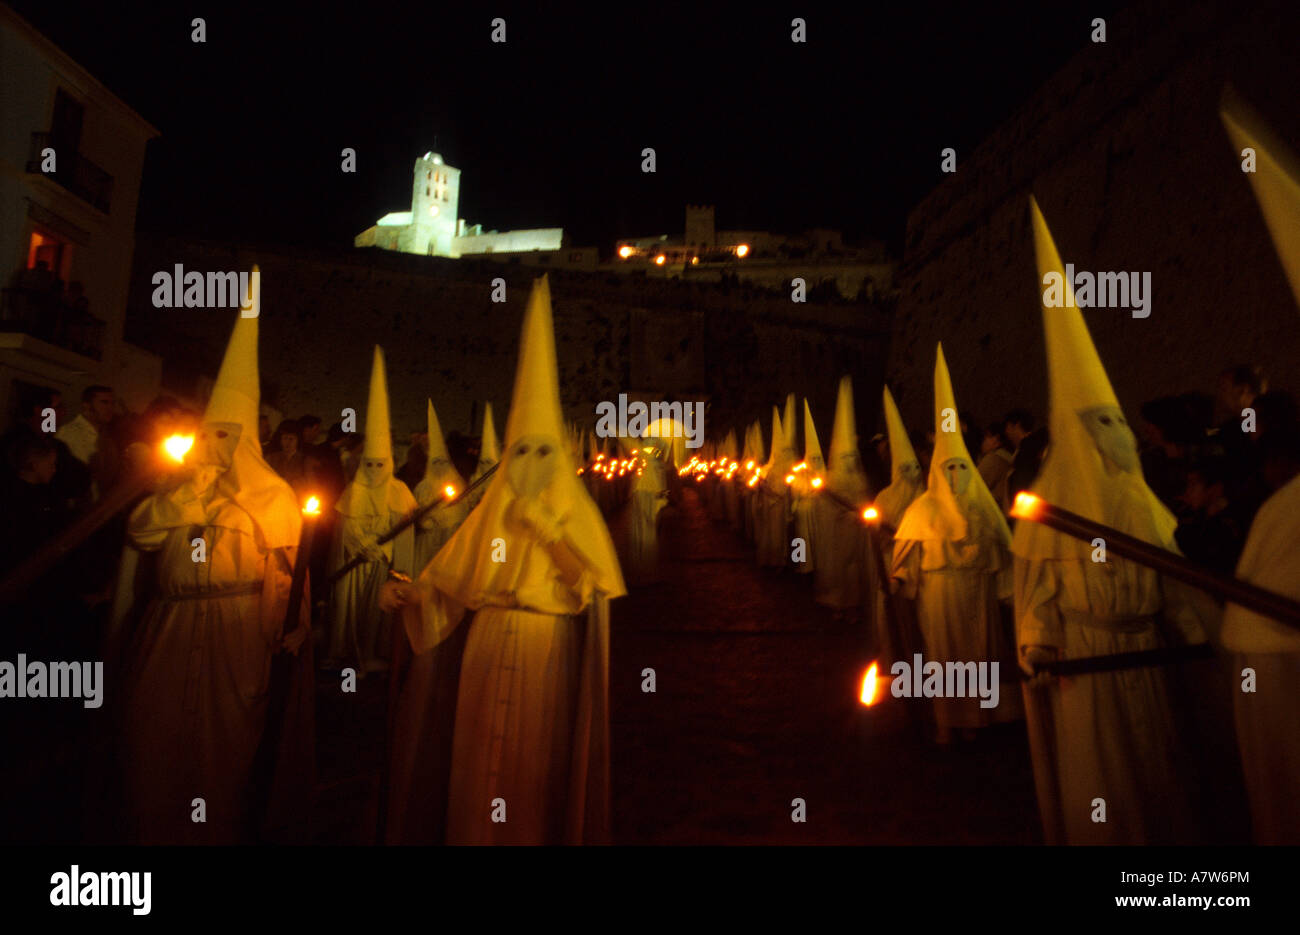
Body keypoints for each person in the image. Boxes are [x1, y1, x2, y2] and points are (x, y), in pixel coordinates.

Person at [382, 275, 625, 845]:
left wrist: (548, 532)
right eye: (522, 450)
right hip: (487, 644)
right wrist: (406, 590)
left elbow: (587, 587)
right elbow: (448, 583)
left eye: (544, 451)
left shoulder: (574, 512)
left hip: (547, 645)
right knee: (477, 748)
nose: (532, 462)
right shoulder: (488, 514)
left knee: (531, 757)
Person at [1013, 199, 1215, 845]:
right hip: (1088, 658)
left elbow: (1174, 577)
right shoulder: (1050, 510)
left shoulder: (1141, 498)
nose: (1115, 436)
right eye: (1096, 424)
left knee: (1156, 769)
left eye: (1114, 419)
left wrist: (1189, 632)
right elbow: (1039, 591)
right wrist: (1039, 646)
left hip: (1144, 654)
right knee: (1103, 773)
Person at [112, 283, 314, 844]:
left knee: (224, 740)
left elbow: (288, 572)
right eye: (211, 433)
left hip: (237, 629)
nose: (217, 444)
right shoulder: (177, 487)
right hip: (170, 625)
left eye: (229, 435)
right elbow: (142, 532)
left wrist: (290, 626)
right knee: (150, 729)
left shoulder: (272, 497)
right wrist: (194, 488)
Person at [891, 345, 1020, 742]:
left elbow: (1001, 552)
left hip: (977, 594)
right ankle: (948, 723)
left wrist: (1006, 589)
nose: (957, 474)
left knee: (979, 656)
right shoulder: (922, 510)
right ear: (936, 471)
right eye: (949, 467)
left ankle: (980, 722)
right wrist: (900, 578)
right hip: (941, 593)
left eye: (963, 466)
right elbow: (907, 555)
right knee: (946, 659)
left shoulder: (983, 509)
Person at [326, 346, 416, 674]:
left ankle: (370, 653)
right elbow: (344, 526)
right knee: (349, 609)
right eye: (370, 464)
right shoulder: (354, 490)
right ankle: (344, 652)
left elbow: (404, 528)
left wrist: (385, 549)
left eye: (382, 464)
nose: (376, 470)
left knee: (374, 611)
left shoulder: (400, 491)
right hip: (354, 561)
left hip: (381, 565)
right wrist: (360, 542)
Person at [814, 376, 870, 616]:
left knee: (853, 568)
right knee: (838, 567)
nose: (849, 461)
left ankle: (853, 603)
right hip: (837, 532)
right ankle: (836, 602)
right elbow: (826, 504)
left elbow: (863, 497)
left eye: (852, 457)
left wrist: (861, 512)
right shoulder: (832, 478)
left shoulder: (859, 475)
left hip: (855, 531)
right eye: (845, 457)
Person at [412, 400, 467, 575]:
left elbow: (461, 510)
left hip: (447, 540)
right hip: (426, 541)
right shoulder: (422, 486)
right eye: (436, 463)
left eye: (443, 462)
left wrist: (444, 517)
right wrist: (425, 520)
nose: (440, 467)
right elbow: (415, 512)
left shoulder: (457, 483)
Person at [56, 384, 119, 500]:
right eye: (104, 402)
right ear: (87, 405)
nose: (110, 408)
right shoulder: (68, 433)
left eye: (112, 403)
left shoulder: (107, 439)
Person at [791, 399, 827, 576]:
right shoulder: (800, 474)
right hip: (804, 510)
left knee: (818, 541)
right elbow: (795, 493)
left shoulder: (823, 472)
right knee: (802, 539)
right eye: (813, 459)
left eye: (818, 458)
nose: (816, 462)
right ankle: (801, 565)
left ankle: (819, 568)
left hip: (819, 511)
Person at [976, 421, 1014, 510]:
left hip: (992, 511)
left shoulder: (993, 459)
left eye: (986, 437)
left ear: (996, 440)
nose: (983, 441)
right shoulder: (1009, 458)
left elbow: (975, 486)